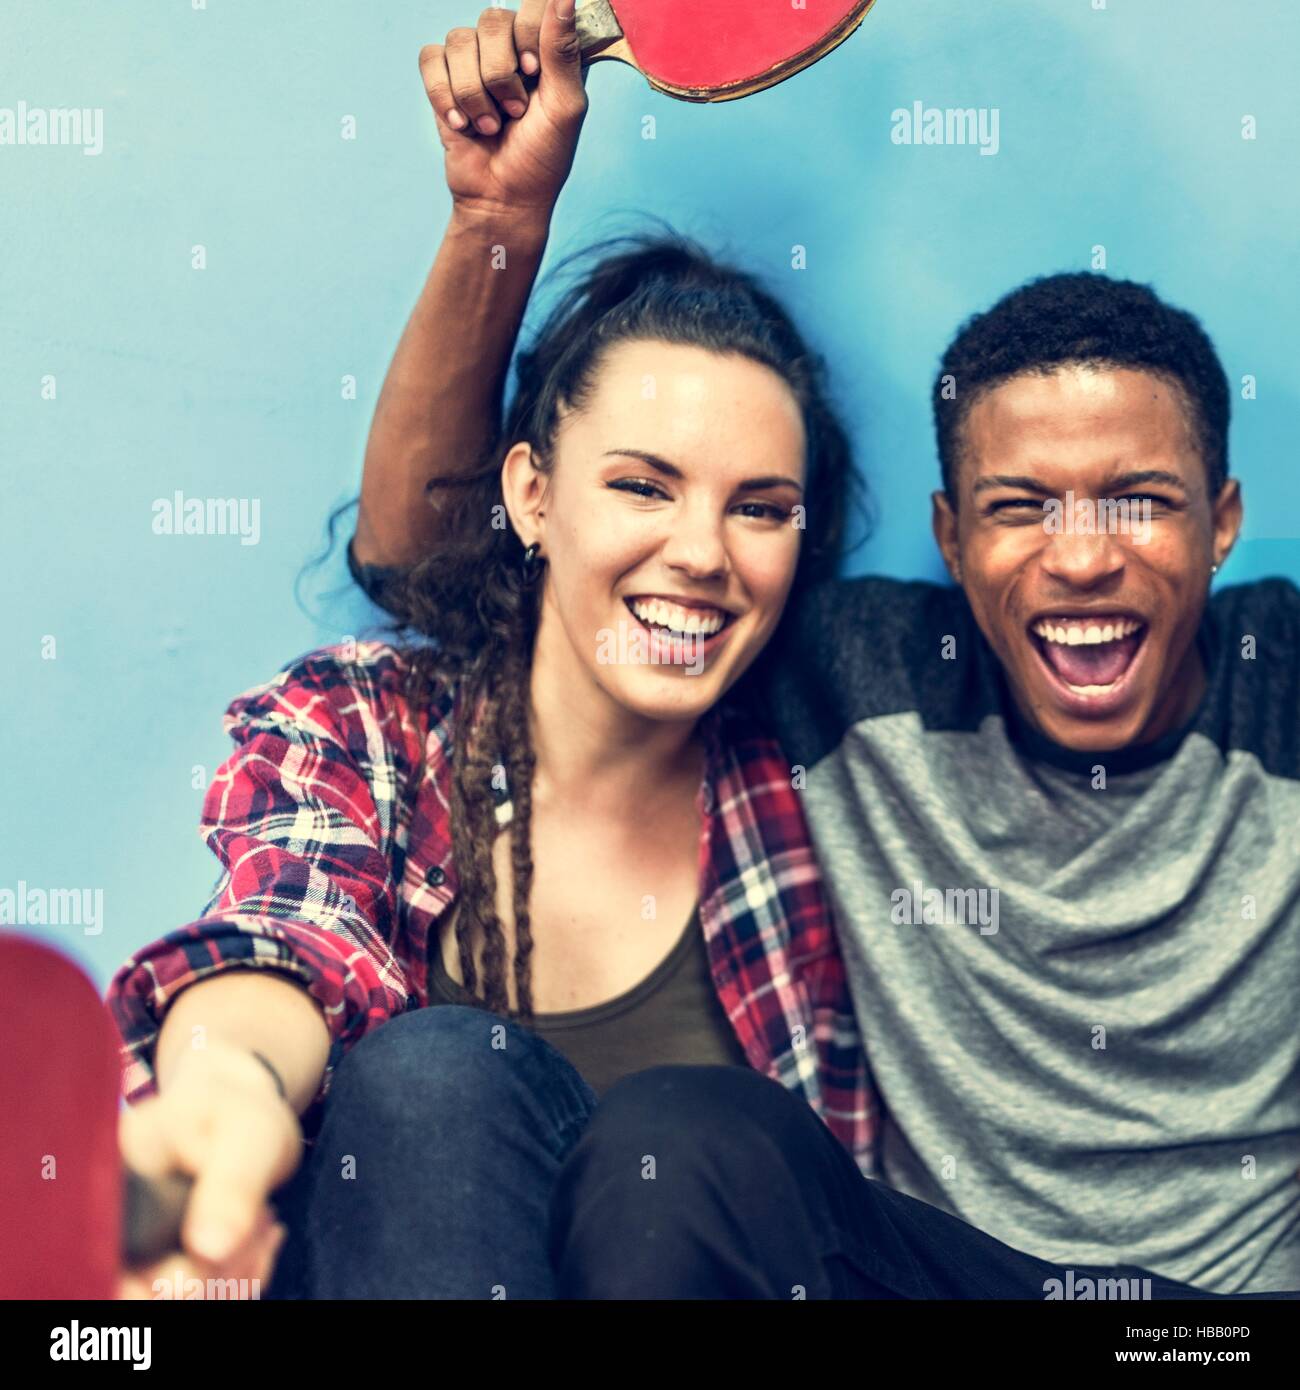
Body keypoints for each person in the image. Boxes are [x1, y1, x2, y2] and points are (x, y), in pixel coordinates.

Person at [348, 0, 1300, 1298]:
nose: (1082, 556)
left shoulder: (1282, 676)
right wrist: (497, 220)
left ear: (1224, 521)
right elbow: (424, 562)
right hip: (923, 1278)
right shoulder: (842, 672)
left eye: (1139, 498)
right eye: (1022, 507)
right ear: (950, 540)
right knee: (678, 1138)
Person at [105, 11, 881, 1298]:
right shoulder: (369, 728)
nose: (702, 550)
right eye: (641, 484)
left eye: (758, 507)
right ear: (529, 494)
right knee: (431, 1071)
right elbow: (284, 937)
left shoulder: (840, 749)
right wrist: (223, 1108)